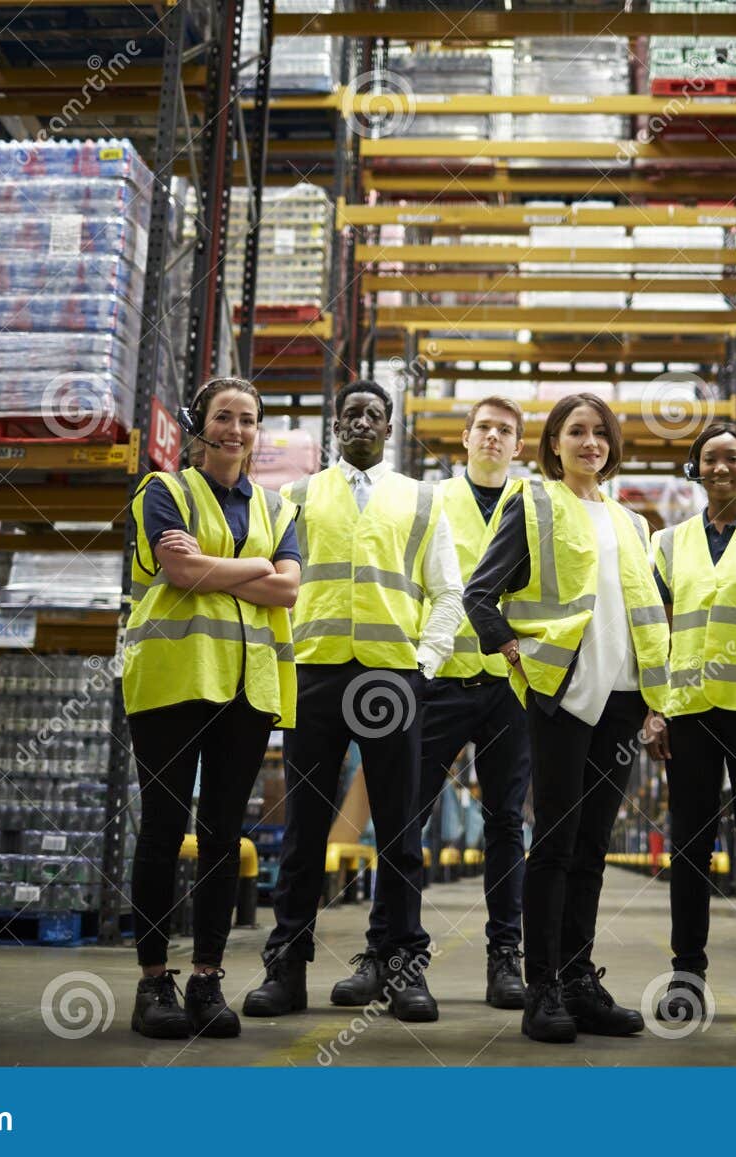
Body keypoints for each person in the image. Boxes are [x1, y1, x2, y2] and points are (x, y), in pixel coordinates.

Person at [243, 379, 463, 1023]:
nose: (362, 422)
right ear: (336, 426)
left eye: (373, 414)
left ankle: (403, 968)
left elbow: (447, 591)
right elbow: (274, 582)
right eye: (351, 414)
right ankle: (286, 969)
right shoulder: (297, 497)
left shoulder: (421, 500)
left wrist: (425, 663)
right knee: (305, 828)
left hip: (392, 678)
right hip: (315, 673)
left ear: (389, 428)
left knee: (400, 829)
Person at [466, 392, 672, 1044]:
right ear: (554, 443)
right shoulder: (533, 503)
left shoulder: (632, 522)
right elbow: (479, 593)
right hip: (562, 693)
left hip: (623, 698)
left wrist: (657, 699)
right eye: (576, 431)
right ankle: (543, 988)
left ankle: (580, 980)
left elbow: (644, 613)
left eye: (600, 432)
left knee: (592, 847)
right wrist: (514, 653)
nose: (590, 442)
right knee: (555, 842)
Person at [337, 396, 532, 1012]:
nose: (494, 437)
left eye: (506, 430)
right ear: (465, 438)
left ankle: (506, 959)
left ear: (519, 445)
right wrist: (419, 667)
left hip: (512, 684)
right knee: (403, 819)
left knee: (506, 823)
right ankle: (384, 954)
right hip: (438, 682)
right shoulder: (430, 499)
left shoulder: (536, 505)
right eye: (484, 428)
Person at [121, 376, 301, 1041]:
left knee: (224, 835)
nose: (236, 429)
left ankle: (206, 978)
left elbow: (288, 591)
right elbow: (181, 573)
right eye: (224, 416)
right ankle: (153, 982)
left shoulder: (279, 507)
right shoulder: (163, 491)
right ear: (200, 425)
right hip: (172, 681)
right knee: (163, 829)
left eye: (247, 419)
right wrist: (257, 567)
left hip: (248, 689)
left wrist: (218, 567)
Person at [644, 422, 736, 1027]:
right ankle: (687, 975)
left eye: (733, 458)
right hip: (688, 712)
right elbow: (655, 629)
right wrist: (654, 707)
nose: (721, 468)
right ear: (695, 470)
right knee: (690, 847)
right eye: (710, 459)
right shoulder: (668, 543)